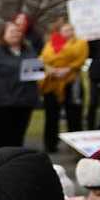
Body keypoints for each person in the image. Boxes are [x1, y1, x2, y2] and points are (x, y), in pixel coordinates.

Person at [0, 20, 39, 151]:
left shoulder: (29, 51)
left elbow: (36, 73)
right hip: (3, 104)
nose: (16, 34)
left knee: (18, 138)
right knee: (1, 139)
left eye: (18, 31)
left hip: (25, 102)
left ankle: (14, 166)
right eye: (12, 31)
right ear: (3, 35)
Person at [38, 17, 89, 153]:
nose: (70, 32)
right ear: (60, 31)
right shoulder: (51, 43)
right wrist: (51, 69)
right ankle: (50, 144)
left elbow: (81, 58)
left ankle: (75, 146)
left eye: (72, 29)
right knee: (51, 115)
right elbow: (43, 59)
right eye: (66, 30)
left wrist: (68, 68)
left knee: (74, 115)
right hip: (52, 83)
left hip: (72, 82)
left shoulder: (81, 43)